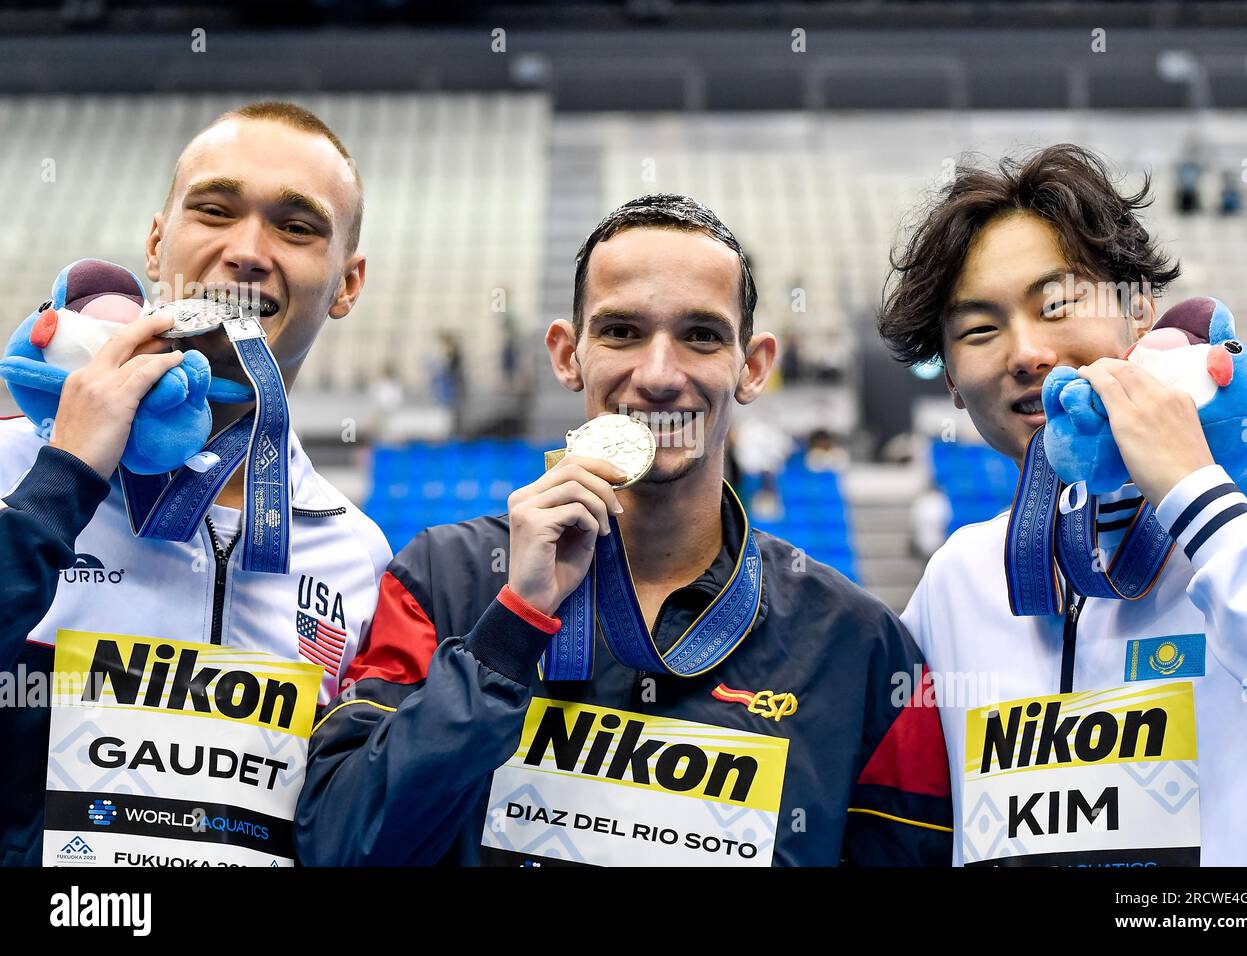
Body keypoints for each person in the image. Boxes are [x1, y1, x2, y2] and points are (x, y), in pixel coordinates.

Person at [296, 194, 952, 867]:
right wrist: (512, 629)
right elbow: (339, 847)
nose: (660, 375)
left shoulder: (857, 645)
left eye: (701, 335)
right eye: (621, 332)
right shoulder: (443, 579)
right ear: (566, 354)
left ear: (752, 366)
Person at [879, 144, 1247, 866]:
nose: (1027, 352)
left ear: (1141, 312)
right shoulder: (957, 579)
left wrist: (1200, 503)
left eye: (1057, 304)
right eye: (979, 329)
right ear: (951, 381)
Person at [0, 101, 391, 865]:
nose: (246, 251)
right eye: (214, 210)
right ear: (156, 243)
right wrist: (65, 480)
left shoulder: (358, 556)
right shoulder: (14, 472)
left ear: (348, 284)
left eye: (296, 227)